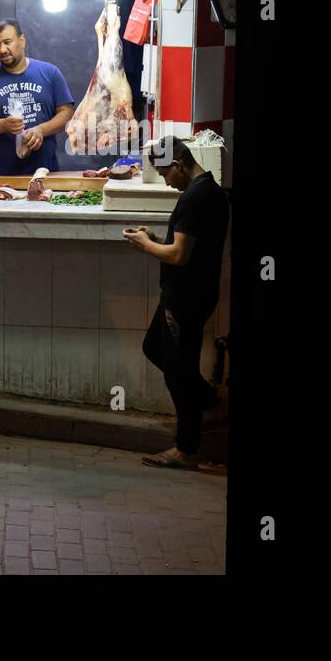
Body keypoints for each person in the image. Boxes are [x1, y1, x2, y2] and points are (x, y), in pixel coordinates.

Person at [122, 136, 230, 468]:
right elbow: (186, 245)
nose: (167, 183)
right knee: (155, 348)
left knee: (179, 373)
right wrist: (157, 239)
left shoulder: (194, 198)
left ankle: (187, 448)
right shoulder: (210, 191)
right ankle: (211, 402)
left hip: (185, 299)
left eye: (165, 173)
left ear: (178, 165)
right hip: (190, 295)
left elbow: (180, 255)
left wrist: (144, 245)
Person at [0, 18, 75, 176]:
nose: (2, 49)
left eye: (7, 42)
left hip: (43, 174)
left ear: (22, 41)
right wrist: (3, 125)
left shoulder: (50, 73)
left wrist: (41, 130)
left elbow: (66, 113)